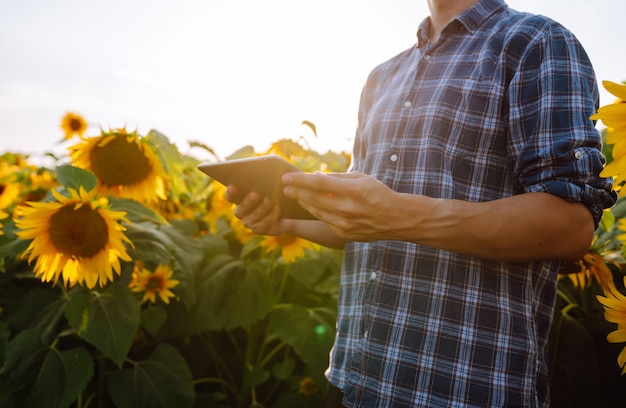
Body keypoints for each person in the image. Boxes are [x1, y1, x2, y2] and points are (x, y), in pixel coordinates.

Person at [225, 0, 617, 406]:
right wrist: (286, 222)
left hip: (461, 390)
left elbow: (571, 226)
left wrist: (398, 215)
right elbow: (366, 225)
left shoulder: (535, 42)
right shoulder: (381, 77)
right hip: (351, 380)